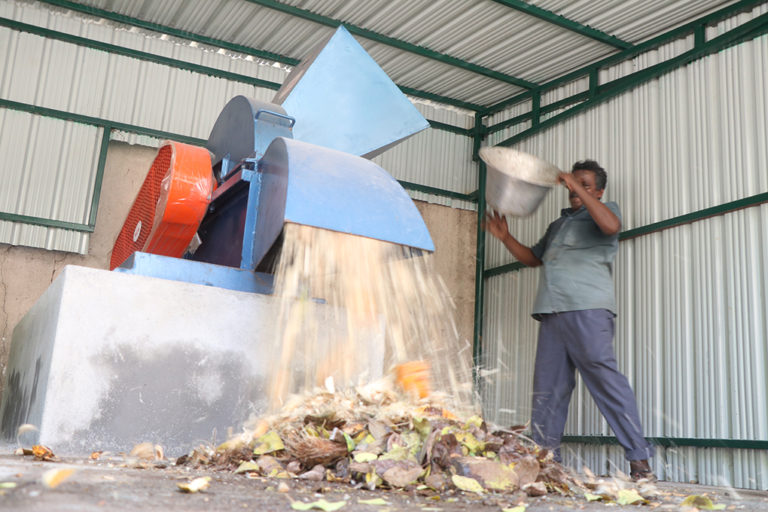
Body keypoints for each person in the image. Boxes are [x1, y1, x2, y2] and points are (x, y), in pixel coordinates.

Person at [484, 159, 655, 481]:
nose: (575, 190)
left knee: (606, 381)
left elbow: (611, 227)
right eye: (574, 185)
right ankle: (545, 462)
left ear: (599, 192)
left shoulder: (604, 212)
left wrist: (577, 187)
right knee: (548, 391)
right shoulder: (558, 225)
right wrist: (505, 237)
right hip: (552, 314)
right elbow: (534, 259)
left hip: (588, 311)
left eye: (585, 185)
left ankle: (639, 458)